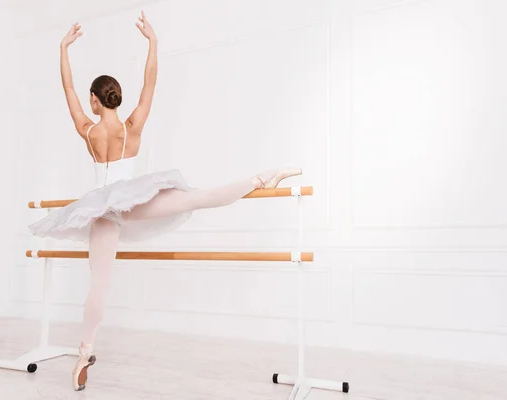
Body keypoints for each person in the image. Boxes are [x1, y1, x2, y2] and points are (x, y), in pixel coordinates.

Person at [28, 12, 302, 391]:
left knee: (99, 284)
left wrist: (63, 48)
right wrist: (153, 43)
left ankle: (84, 352)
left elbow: (67, 90)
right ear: (115, 98)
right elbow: (150, 84)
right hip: (135, 201)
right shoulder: (132, 126)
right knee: (198, 198)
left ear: (95, 100)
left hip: (102, 208)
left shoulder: (88, 130)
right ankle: (260, 178)